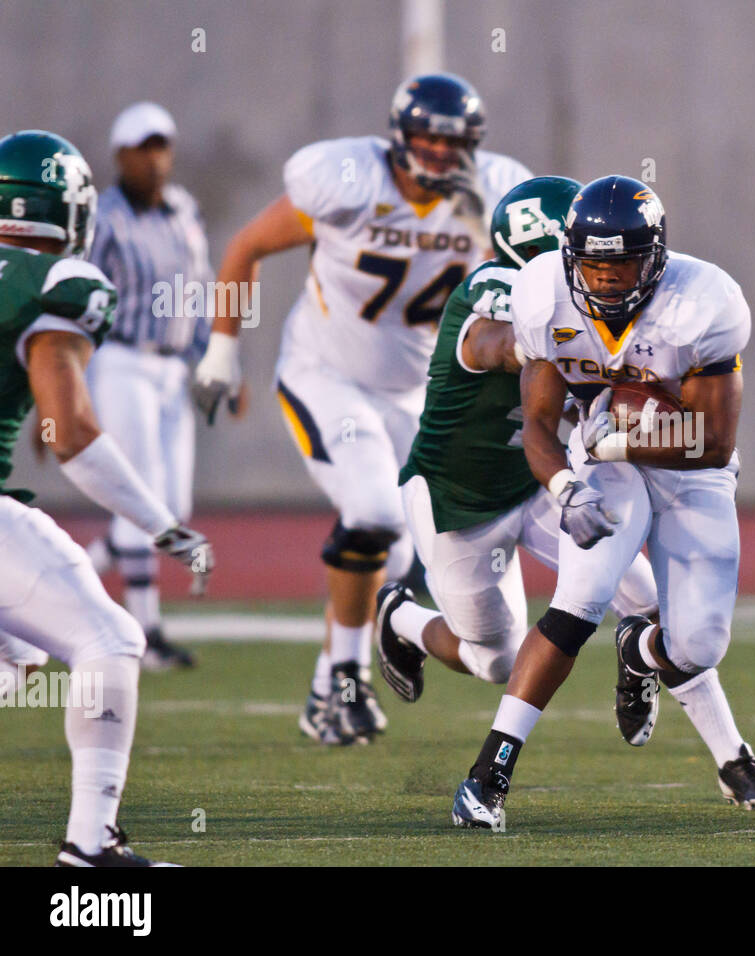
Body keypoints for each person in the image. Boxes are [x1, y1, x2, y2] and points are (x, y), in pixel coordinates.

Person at [191, 74, 531, 744]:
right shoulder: (348, 182)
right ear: (399, 135)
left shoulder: (488, 199)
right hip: (329, 376)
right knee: (374, 513)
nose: (438, 154)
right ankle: (343, 678)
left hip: (420, 393)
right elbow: (247, 247)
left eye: (453, 142)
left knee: (417, 557)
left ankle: (334, 677)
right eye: (428, 139)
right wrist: (220, 356)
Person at [451, 175, 755, 830]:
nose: (606, 278)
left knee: (699, 646)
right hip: (603, 457)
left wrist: (631, 433)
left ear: (655, 257)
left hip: (690, 469)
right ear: (570, 255)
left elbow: (714, 442)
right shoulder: (542, 294)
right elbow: (541, 425)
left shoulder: (705, 301)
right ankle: (489, 771)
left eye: (623, 263)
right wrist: (565, 486)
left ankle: (642, 651)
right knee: (578, 603)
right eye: (594, 262)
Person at [0, 129, 212, 865]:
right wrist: (159, 523)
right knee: (111, 640)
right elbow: (73, 434)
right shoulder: (58, 282)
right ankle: (90, 848)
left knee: (18, 652)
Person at [376, 174, 661, 706]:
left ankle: (637, 673)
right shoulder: (491, 292)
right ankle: (403, 619)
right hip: (459, 500)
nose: (598, 268)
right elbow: (505, 347)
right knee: (494, 660)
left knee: (649, 600)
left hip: (536, 483)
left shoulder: (584, 302)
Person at [82, 101, 213, 670]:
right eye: (144, 149)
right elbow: (78, 297)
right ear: (121, 155)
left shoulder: (184, 209)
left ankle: (76, 571)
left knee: (172, 507)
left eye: (162, 147)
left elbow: (202, 287)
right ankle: (145, 632)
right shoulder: (102, 217)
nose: (155, 160)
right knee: (142, 501)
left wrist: (216, 360)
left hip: (171, 365)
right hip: (121, 359)